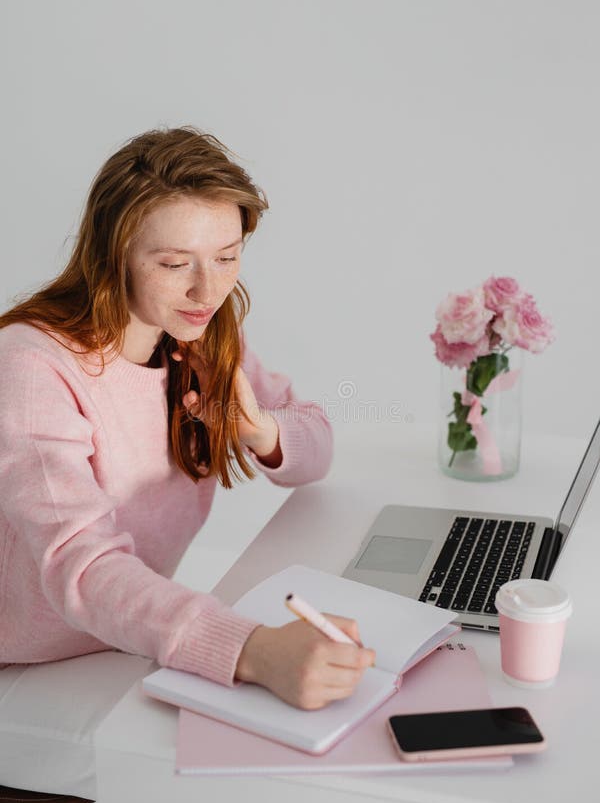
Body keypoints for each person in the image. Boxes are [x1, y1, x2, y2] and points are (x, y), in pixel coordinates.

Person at [0, 126, 375, 710]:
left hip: (123, 634)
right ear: (112, 254)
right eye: (175, 263)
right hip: (33, 658)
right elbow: (82, 566)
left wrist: (258, 428)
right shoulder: (31, 366)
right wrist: (249, 649)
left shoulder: (199, 334)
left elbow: (318, 447)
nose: (209, 289)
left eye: (227, 257)